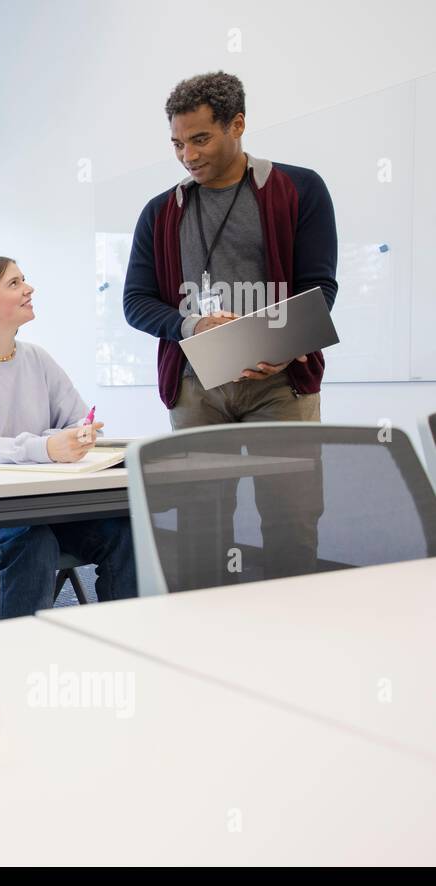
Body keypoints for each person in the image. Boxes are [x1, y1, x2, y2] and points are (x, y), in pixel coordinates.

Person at [123, 71, 337, 582]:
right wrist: (192, 325)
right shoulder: (160, 212)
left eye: (200, 139)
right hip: (196, 387)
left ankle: (290, 619)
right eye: (178, 144)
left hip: (282, 384)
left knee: (292, 518)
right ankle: (205, 623)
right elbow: (135, 303)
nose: (188, 155)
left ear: (237, 124)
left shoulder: (298, 189)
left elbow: (320, 286)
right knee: (201, 523)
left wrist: (281, 347)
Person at [0, 257, 137, 618]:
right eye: (14, 283)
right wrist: (47, 446)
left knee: (124, 530)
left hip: (36, 507)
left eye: (24, 280)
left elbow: (79, 421)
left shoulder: (37, 358)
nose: (29, 289)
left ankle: (125, 635)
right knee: (31, 539)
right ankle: (22, 649)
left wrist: (74, 438)